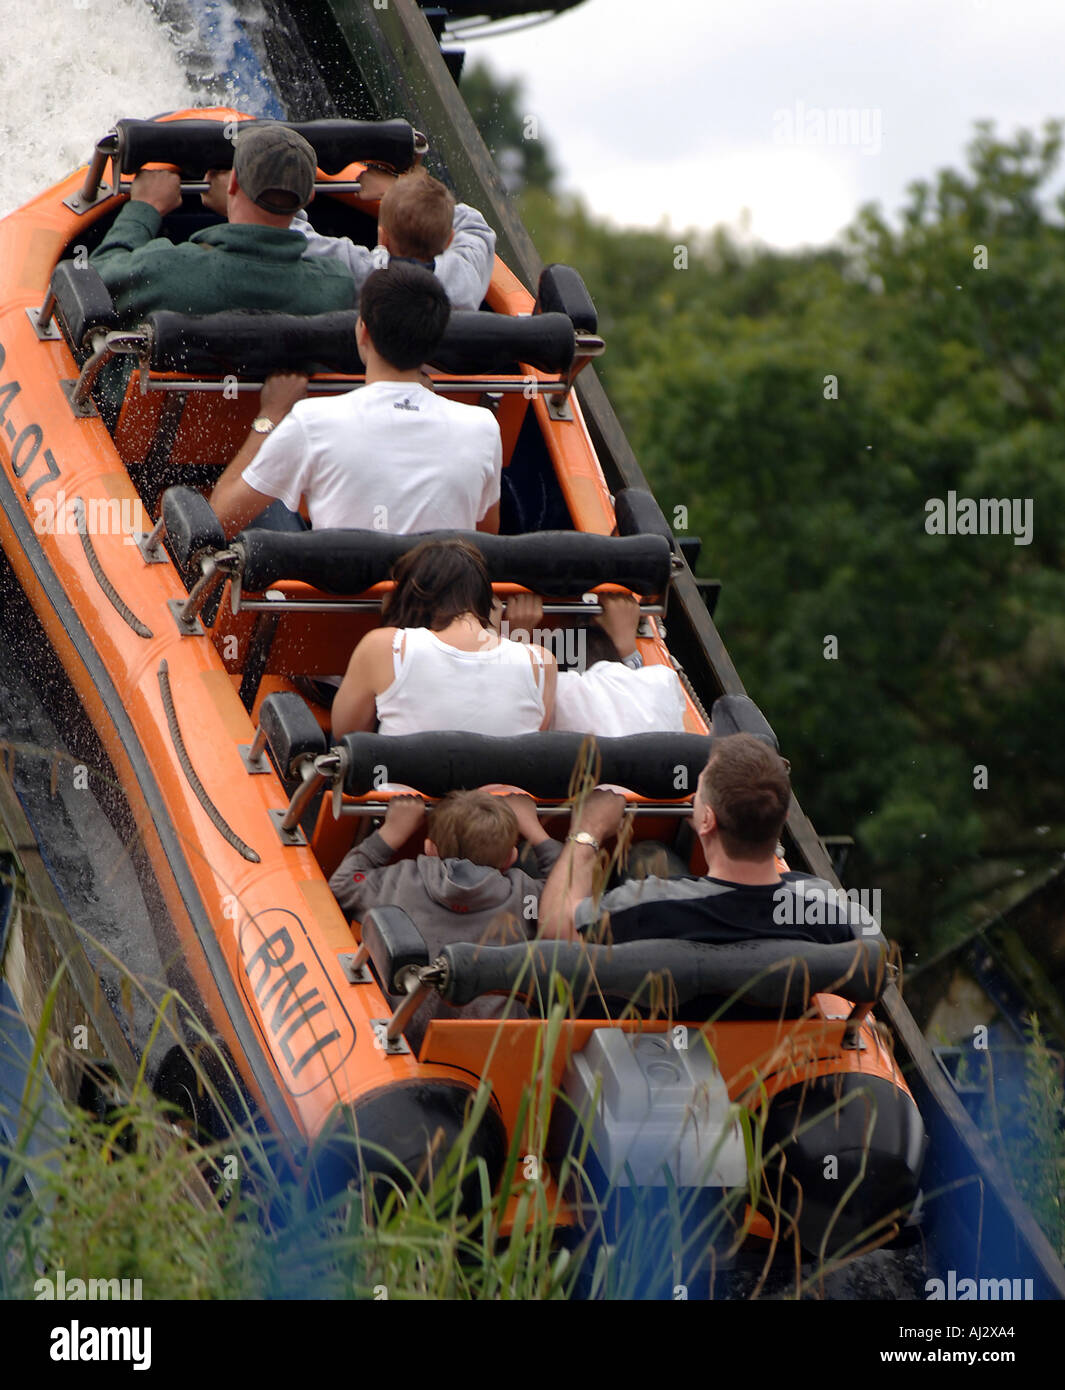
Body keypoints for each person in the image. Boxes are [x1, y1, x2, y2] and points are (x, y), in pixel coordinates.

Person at [209, 264, 502, 538]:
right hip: (440, 591)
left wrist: (270, 415)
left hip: (334, 592)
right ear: (435, 342)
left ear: (362, 332)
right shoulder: (483, 427)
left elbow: (220, 519)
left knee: (270, 499)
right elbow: (484, 537)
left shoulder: (311, 421)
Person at [537, 732, 882, 945]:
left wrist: (587, 832)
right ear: (784, 818)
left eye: (697, 792)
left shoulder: (650, 905)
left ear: (706, 820)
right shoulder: (827, 906)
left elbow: (555, 929)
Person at [330, 790, 560, 1049]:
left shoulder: (401, 880)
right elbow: (568, 888)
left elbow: (344, 883)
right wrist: (535, 830)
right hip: (489, 1048)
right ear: (511, 858)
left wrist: (392, 832)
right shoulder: (525, 896)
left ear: (429, 848)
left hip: (401, 1038)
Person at [90, 122, 358, 321]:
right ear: (309, 197)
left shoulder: (163, 268)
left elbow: (93, 282)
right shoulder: (337, 289)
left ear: (233, 184)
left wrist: (142, 209)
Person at [330, 537, 556, 739]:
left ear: (411, 598)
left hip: (404, 786)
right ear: (488, 602)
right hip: (505, 788)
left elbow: (347, 738)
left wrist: (392, 624)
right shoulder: (542, 661)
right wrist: (501, 636)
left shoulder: (382, 645)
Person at [202, 161, 496, 311]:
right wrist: (398, 187)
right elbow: (475, 225)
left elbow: (286, 236)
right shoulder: (464, 284)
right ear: (449, 240)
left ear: (382, 237)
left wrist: (237, 198)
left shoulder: (355, 273)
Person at [506, 591, 688, 736]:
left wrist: (515, 639)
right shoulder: (664, 681)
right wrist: (627, 649)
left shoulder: (558, 692)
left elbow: (516, 703)